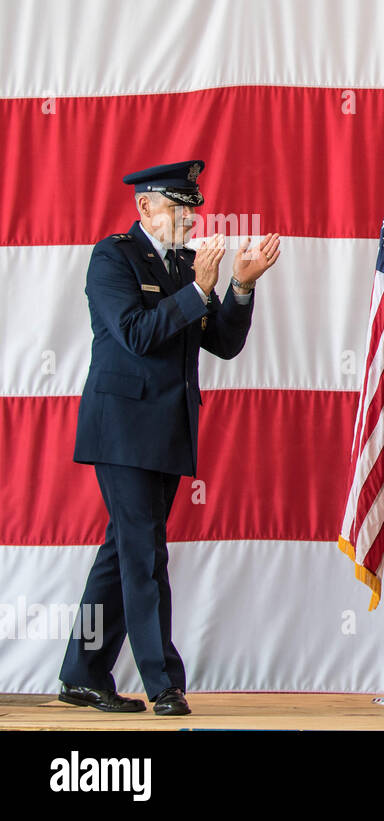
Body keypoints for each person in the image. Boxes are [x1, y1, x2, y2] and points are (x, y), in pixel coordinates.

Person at [59, 161, 281, 717]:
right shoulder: (112, 257)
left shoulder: (187, 265)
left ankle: (81, 674)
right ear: (145, 209)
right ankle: (164, 682)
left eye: (192, 208)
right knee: (145, 554)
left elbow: (222, 344)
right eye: (178, 208)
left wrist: (239, 285)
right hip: (123, 430)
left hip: (169, 429)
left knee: (123, 553)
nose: (189, 218)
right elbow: (136, 335)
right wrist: (199, 289)